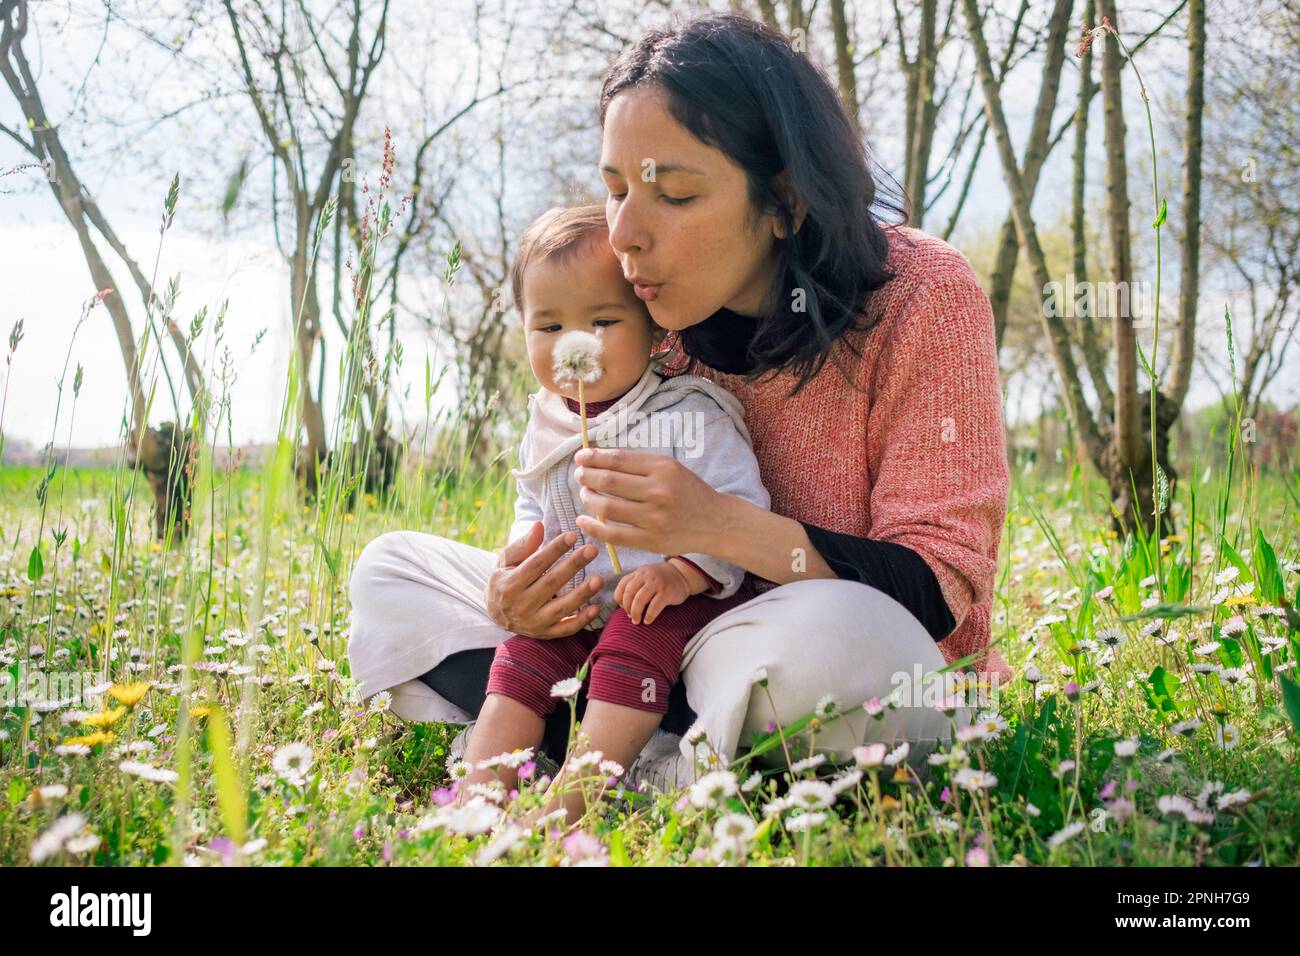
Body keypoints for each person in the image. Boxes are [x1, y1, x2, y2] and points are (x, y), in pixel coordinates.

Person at [347, 12, 1011, 795]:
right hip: (634, 627)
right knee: (391, 572)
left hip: (791, 644)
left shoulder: (923, 297)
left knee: (850, 646)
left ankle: (618, 738)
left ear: (787, 200)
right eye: (616, 189)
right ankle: (655, 753)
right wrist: (515, 592)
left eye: (674, 193)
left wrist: (719, 528)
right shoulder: (646, 314)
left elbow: (938, 588)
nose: (624, 234)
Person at [447, 203, 771, 823]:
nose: (575, 342)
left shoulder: (689, 413)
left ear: (653, 330)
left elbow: (742, 511)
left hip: (672, 600)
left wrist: (682, 574)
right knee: (524, 652)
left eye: (602, 320)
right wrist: (525, 547)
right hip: (581, 597)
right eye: (547, 326)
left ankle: (575, 801)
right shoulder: (546, 420)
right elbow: (532, 499)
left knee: (633, 635)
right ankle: (478, 797)